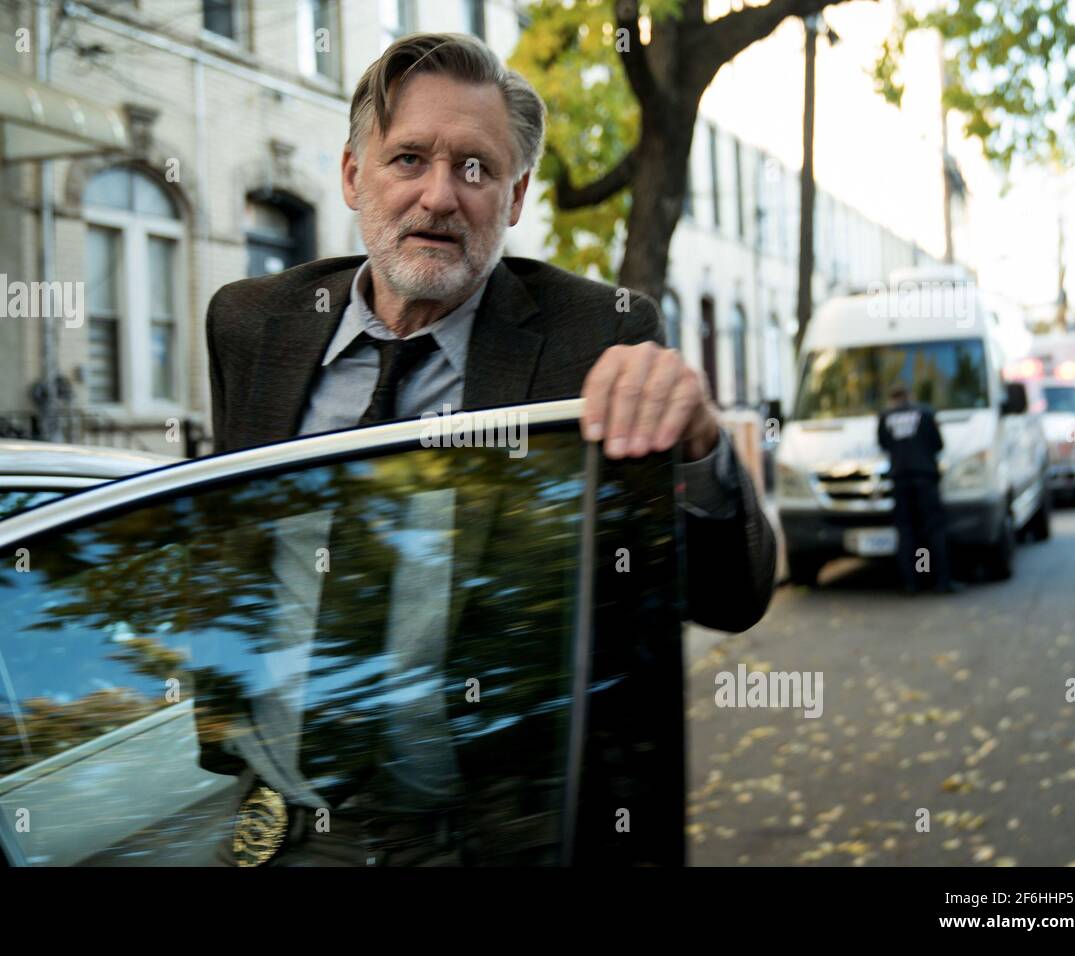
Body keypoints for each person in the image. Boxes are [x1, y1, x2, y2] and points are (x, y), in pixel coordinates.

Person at [203, 32, 776, 864]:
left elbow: (731, 596)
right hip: (279, 829)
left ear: (514, 197)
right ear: (354, 174)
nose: (440, 196)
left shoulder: (598, 340)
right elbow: (230, 547)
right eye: (408, 159)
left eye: (475, 168)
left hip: (486, 841)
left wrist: (699, 449)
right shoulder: (253, 325)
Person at [877, 381, 960, 594]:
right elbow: (938, 444)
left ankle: (912, 583)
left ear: (892, 398)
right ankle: (941, 580)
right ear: (910, 395)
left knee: (906, 532)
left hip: (900, 481)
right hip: (925, 479)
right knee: (934, 529)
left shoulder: (885, 416)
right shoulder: (925, 413)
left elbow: (884, 445)